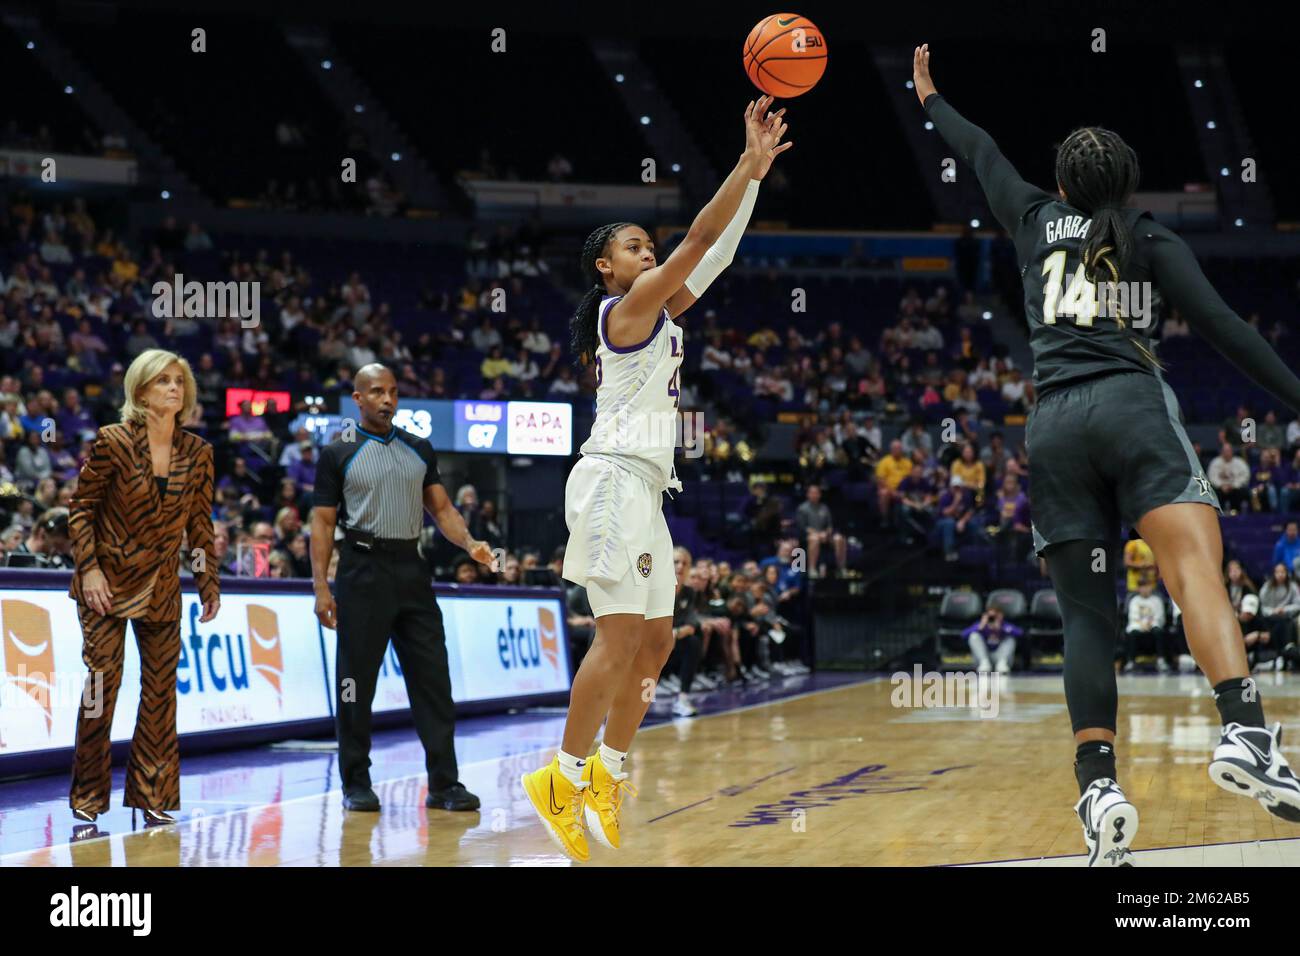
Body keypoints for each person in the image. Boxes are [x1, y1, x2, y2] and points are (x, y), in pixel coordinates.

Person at [916, 42, 1300, 866]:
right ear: (1127, 186)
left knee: (1089, 619)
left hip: (1053, 426)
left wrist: (929, 98)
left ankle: (1098, 786)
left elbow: (978, 148)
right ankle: (1243, 735)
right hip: (1131, 409)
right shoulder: (1148, 238)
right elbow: (1227, 330)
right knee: (1195, 574)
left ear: (1059, 186)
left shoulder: (1026, 216)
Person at [521, 95, 791, 862]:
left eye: (647, 247)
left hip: (645, 490)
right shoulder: (623, 310)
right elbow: (698, 238)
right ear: (606, 267)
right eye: (636, 246)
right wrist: (742, 161)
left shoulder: (660, 313)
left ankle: (606, 769)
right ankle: (560, 777)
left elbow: (718, 253)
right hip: (609, 482)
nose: (649, 253)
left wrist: (758, 178)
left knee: (657, 643)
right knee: (615, 639)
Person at [311, 363, 494, 814]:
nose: (386, 399)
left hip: (411, 569)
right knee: (356, 682)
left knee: (433, 679)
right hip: (361, 570)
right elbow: (322, 522)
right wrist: (320, 587)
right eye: (376, 392)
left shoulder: (419, 448)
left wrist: (470, 543)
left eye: (392, 391)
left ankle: (444, 784)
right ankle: (356, 782)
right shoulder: (338, 452)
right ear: (358, 399)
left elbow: (443, 508)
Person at [66, 349, 220, 830]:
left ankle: (153, 796)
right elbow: (80, 510)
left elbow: (199, 525)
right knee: (100, 687)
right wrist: (89, 570)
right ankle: (89, 795)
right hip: (104, 586)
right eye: (162, 381)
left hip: (161, 587)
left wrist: (207, 581)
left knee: (159, 694)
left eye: (179, 381)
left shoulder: (199, 453)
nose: (174, 388)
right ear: (140, 391)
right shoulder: (112, 441)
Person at [964, 605, 1020, 674]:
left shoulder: (1005, 625)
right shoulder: (981, 625)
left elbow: (1020, 633)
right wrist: (980, 627)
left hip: (1000, 657)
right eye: (990, 616)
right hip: (984, 657)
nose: (992, 618)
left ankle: (1002, 664)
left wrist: (1001, 629)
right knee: (974, 636)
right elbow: (964, 634)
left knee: (1010, 638)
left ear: (1001, 615)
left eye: (995, 616)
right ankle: (984, 663)